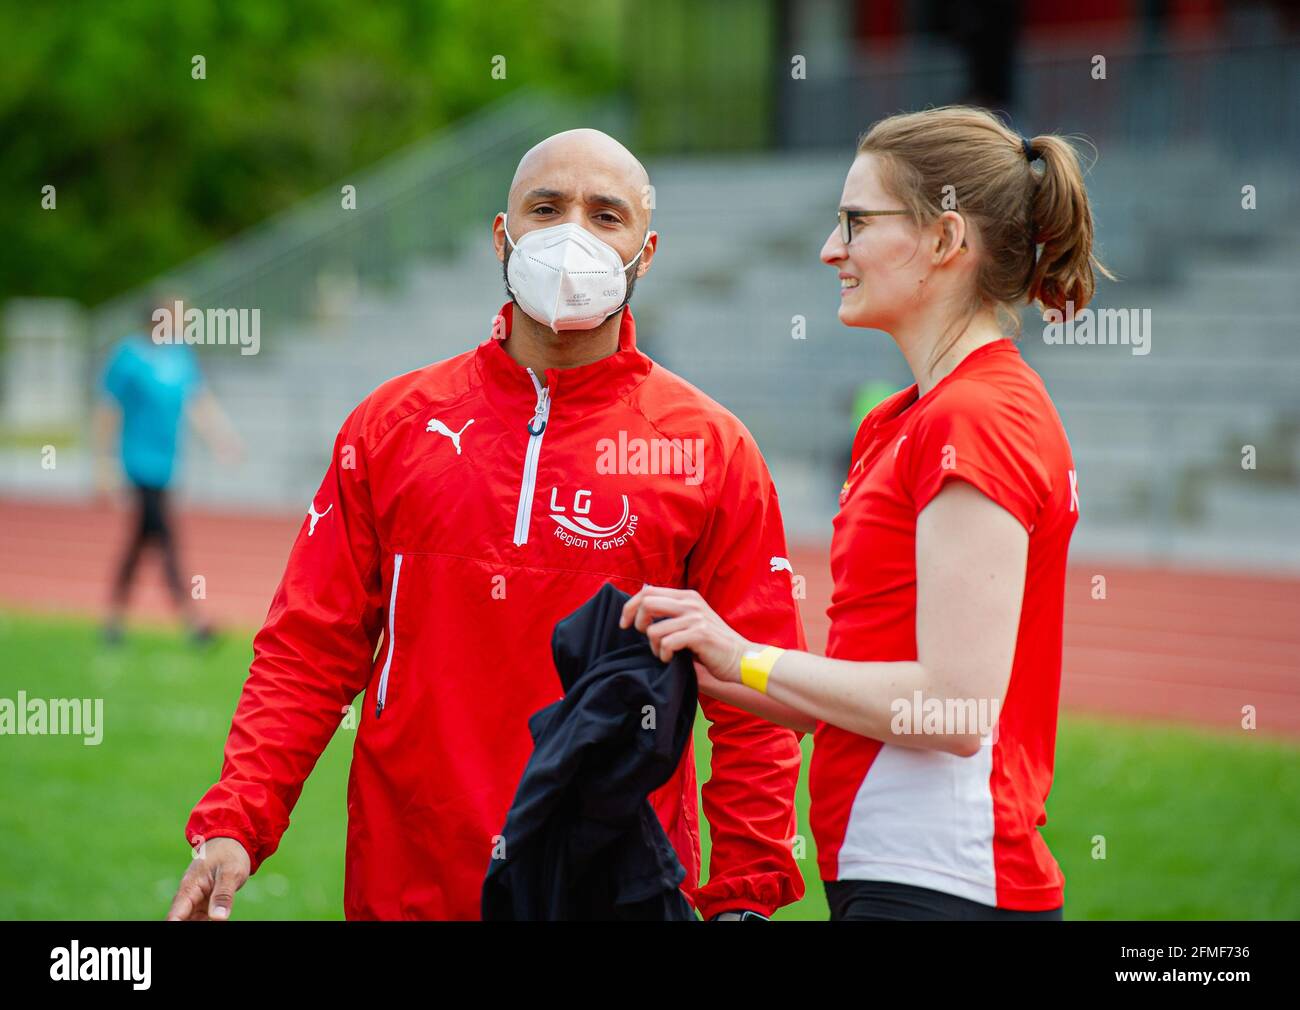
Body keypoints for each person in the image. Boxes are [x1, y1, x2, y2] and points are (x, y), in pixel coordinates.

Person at [169, 129, 807, 921]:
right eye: (547, 208)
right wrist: (235, 823)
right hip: (407, 886)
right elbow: (310, 647)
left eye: (605, 215)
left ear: (646, 253)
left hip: (612, 893)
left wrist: (744, 895)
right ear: (502, 236)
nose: (573, 232)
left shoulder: (710, 450)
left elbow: (751, 699)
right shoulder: (391, 426)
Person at [622, 106, 1113, 921]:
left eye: (856, 222)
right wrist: (688, 657)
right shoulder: (914, 416)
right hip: (901, 877)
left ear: (945, 240)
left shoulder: (978, 416)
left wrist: (746, 657)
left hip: (944, 882)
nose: (831, 249)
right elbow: (872, 687)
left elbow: (955, 707)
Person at [95, 292, 242, 644]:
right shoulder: (129, 357)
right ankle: (193, 622)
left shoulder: (180, 357)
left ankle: (113, 620)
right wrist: (102, 463)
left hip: (167, 465)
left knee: (141, 539)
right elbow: (107, 411)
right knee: (165, 536)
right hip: (137, 462)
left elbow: (197, 401)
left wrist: (223, 438)